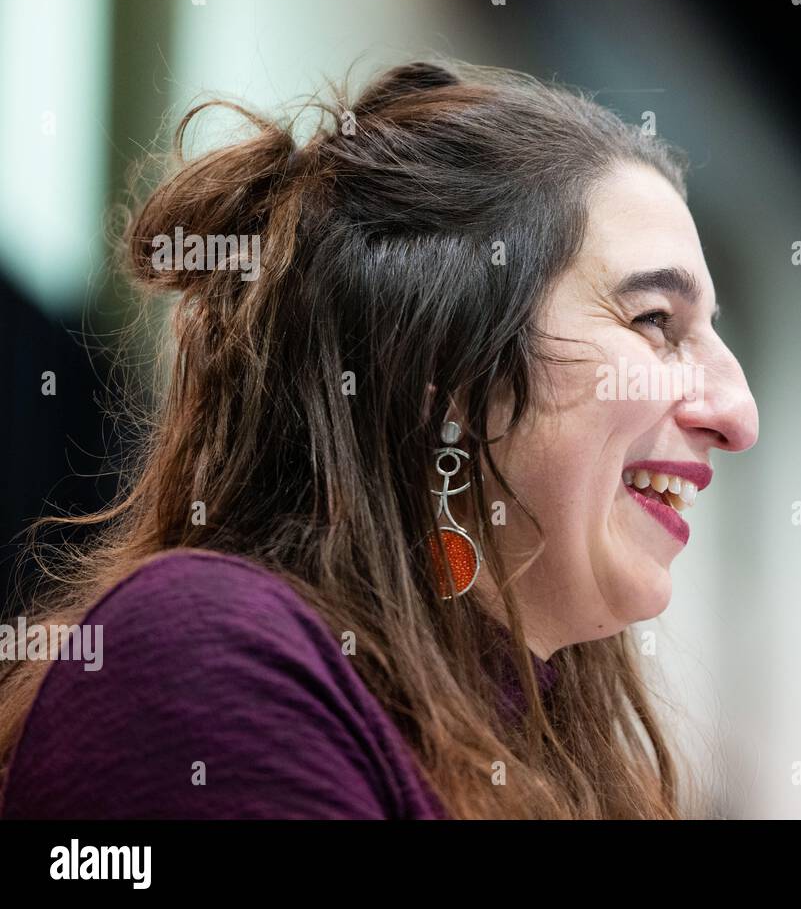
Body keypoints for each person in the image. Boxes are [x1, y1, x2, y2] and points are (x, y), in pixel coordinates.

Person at [0, 58, 759, 818]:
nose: (738, 414)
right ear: (446, 366)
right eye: (655, 321)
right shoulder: (205, 655)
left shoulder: (550, 753)